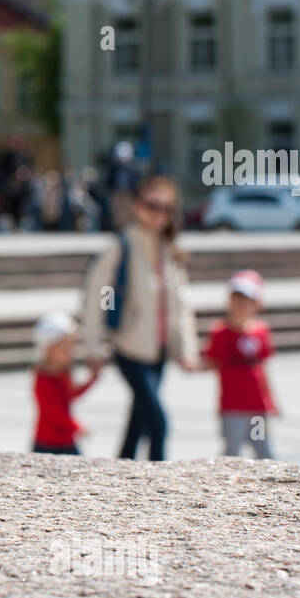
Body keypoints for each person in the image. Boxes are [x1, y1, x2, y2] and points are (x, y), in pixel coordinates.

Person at [81, 176, 199, 461]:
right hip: (129, 347)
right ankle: (158, 487)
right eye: (152, 205)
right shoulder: (120, 246)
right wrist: (94, 347)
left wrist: (186, 349)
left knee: (138, 423)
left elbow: (181, 304)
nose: (159, 214)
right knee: (159, 423)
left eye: (167, 208)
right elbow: (97, 298)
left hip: (159, 350)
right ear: (136, 206)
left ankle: (120, 477)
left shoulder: (170, 249)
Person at [200, 270, 278, 459]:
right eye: (237, 299)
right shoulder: (220, 332)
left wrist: (271, 401)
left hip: (257, 408)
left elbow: (263, 369)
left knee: (263, 450)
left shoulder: (261, 331)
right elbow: (211, 361)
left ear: (256, 303)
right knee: (232, 452)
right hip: (232, 407)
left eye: (246, 300)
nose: (241, 305)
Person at [32, 310, 100, 455]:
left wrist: (91, 380)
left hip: (66, 439)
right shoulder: (43, 379)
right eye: (64, 348)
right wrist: (76, 426)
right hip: (47, 442)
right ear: (49, 350)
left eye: (71, 347)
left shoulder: (63, 373)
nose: (70, 352)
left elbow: (71, 395)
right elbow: (53, 412)